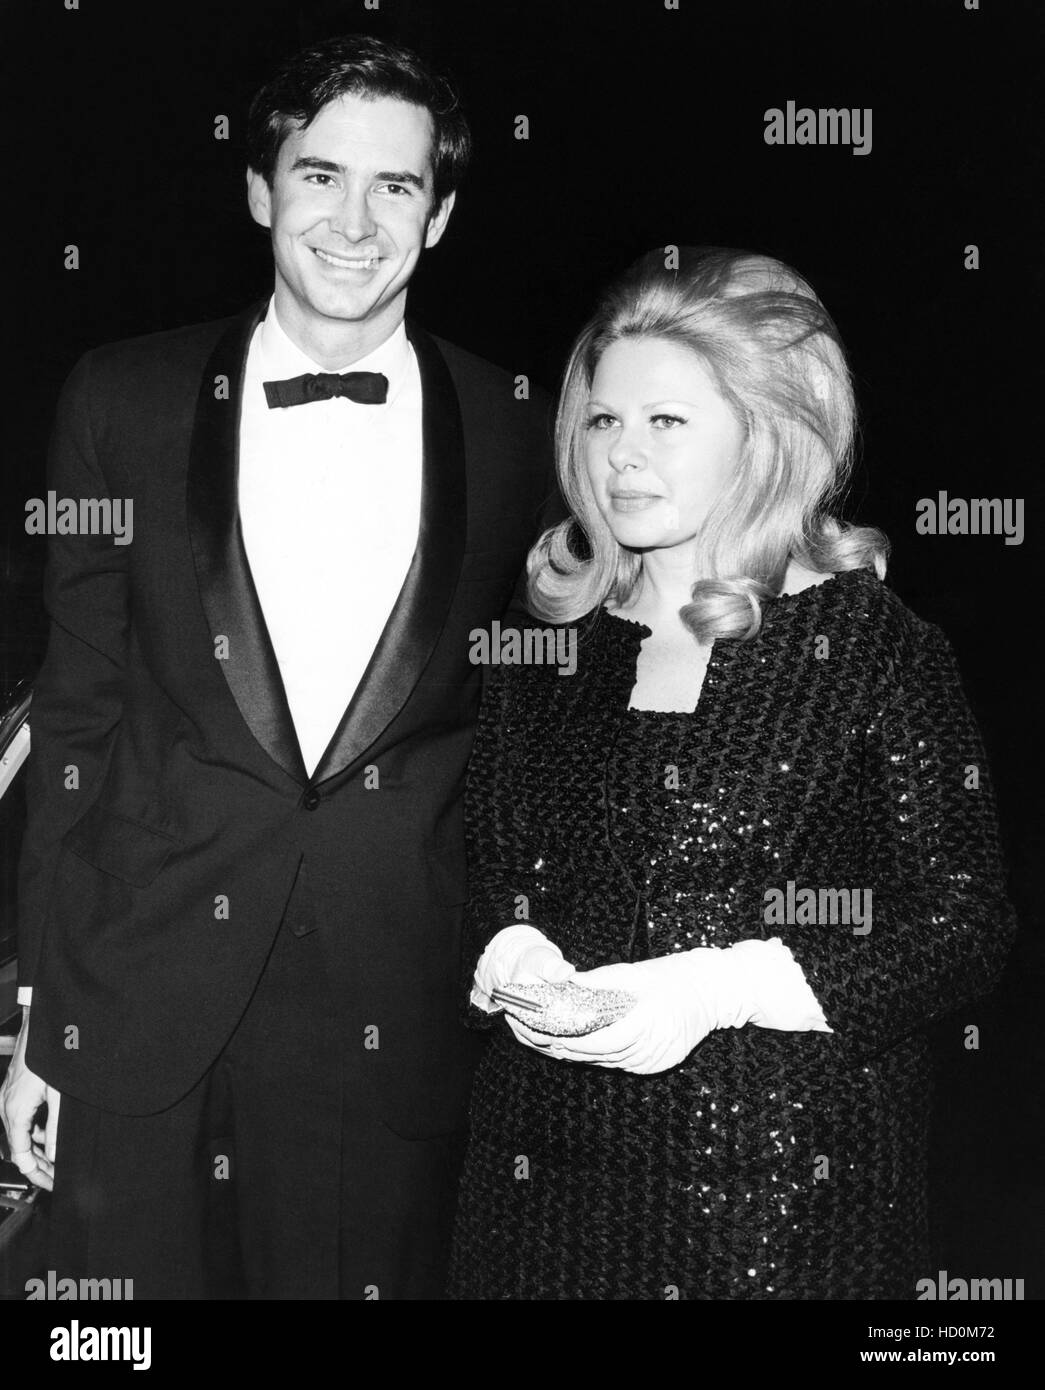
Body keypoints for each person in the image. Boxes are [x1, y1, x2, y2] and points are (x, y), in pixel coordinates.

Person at [0, 34, 554, 1299]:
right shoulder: (117, 399)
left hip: (388, 1016)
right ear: (260, 190)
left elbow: (541, 722)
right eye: (319, 175)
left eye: (396, 186)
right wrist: (41, 1021)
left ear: (443, 212)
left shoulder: (521, 428)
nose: (353, 221)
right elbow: (76, 725)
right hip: (136, 1008)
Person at [447, 247, 1017, 1300]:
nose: (621, 455)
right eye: (604, 419)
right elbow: (486, 864)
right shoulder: (544, 641)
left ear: (762, 437)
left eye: (666, 422)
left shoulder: (867, 647)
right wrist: (512, 942)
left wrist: (721, 986)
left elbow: (963, 921)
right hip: (543, 1191)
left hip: (789, 1196)